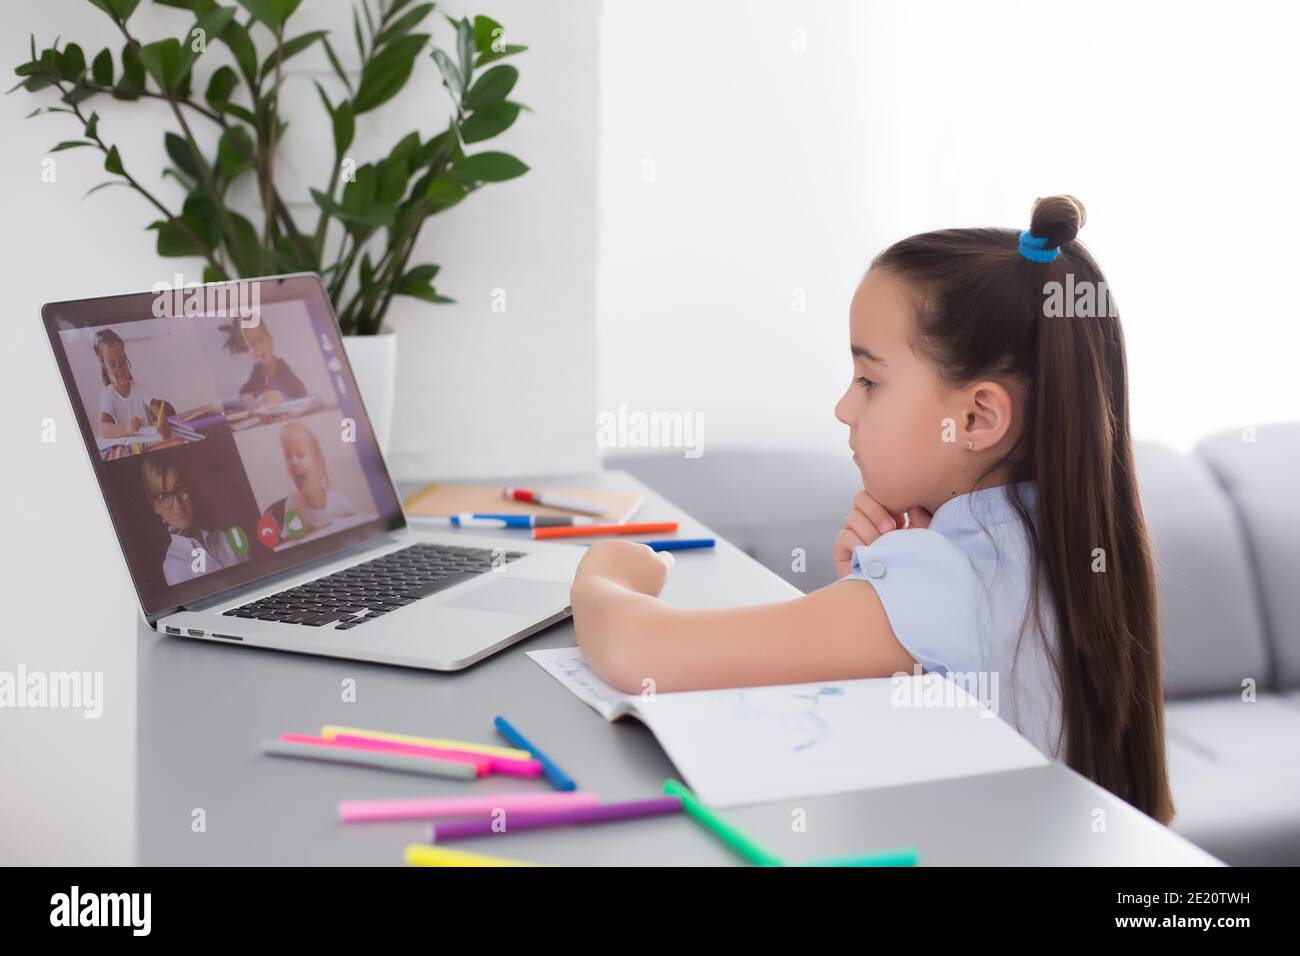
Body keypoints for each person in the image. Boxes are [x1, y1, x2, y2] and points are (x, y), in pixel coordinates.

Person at [569, 196, 1175, 825]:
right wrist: (873, 583)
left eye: (869, 381)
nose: (844, 407)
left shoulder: (938, 580)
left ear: (976, 417)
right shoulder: (1066, 546)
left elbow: (636, 653)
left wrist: (608, 569)